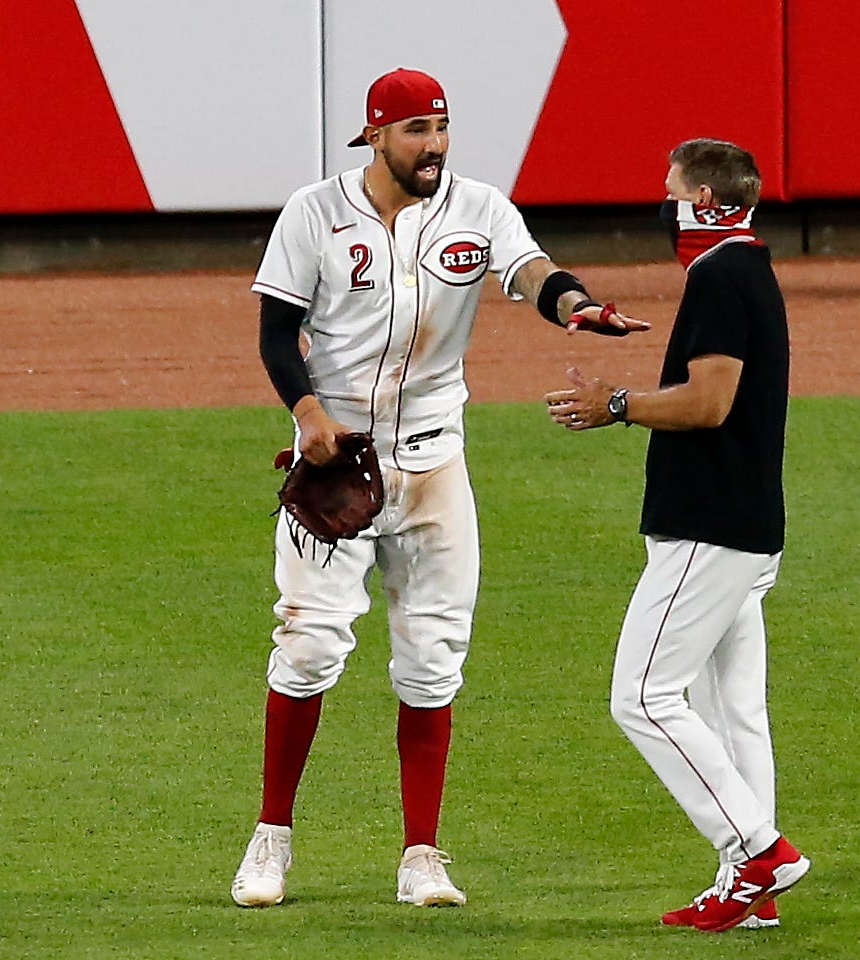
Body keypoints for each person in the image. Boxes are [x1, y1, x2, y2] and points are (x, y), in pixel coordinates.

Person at [231, 67, 648, 909]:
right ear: (376, 136)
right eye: (417, 130)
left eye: (442, 127)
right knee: (309, 647)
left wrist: (577, 306)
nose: (435, 145)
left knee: (432, 663)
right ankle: (270, 839)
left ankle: (422, 856)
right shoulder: (314, 212)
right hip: (335, 458)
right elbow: (277, 331)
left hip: (432, 464)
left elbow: (531, 271)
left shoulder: (479, 208)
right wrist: (306, 411)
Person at [543, 138, 809, 932]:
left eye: (671, 189)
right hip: (743, 524)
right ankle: (748, 889)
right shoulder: (744, 266)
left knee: (644, 696)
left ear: (702, 202)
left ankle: (757, 849)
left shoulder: (723, 274)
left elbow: (709, 402)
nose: (663, 203)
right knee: (732, 712)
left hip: (709, 528)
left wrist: (615, 404)